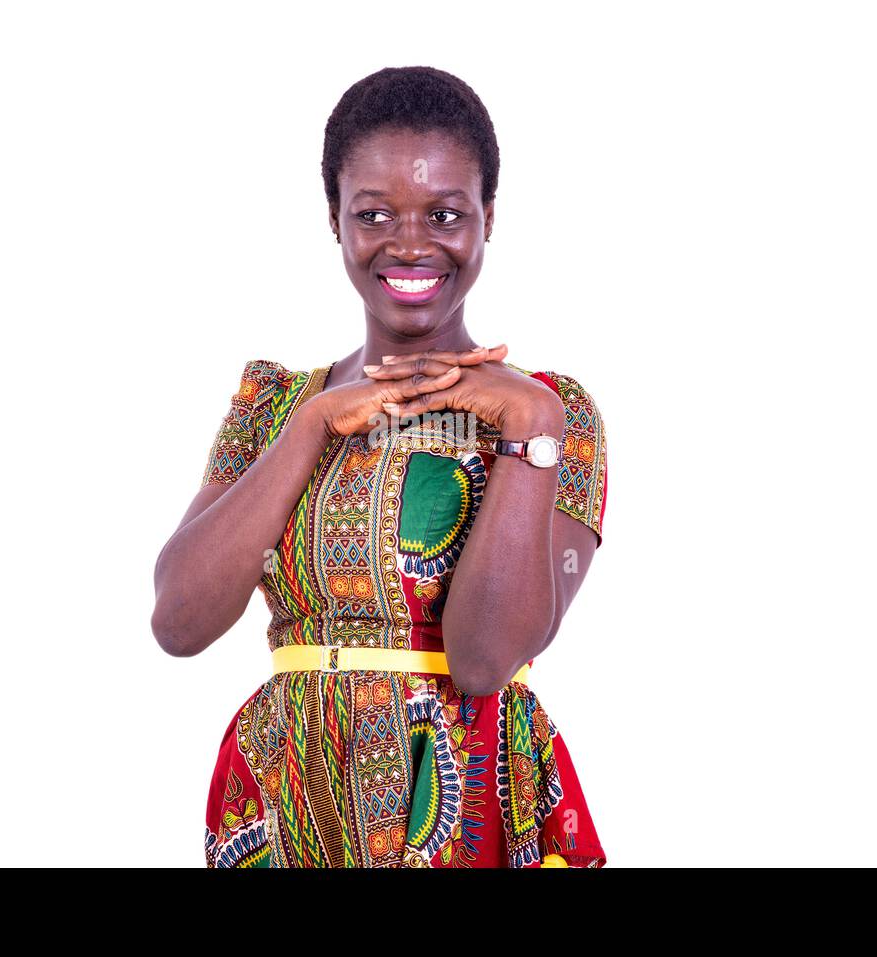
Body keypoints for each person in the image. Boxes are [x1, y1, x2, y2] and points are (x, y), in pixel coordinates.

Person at [151, 66, 609, 868]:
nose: (409, 242)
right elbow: (179, 621)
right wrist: (311, 426)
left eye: (444, 213)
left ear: (488, 219)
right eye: (374, 214)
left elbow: (483, 660)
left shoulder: (552, 415)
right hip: (290, 800)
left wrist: (527, 429)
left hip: (469, 806)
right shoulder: (271, 405)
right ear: (335, 220)